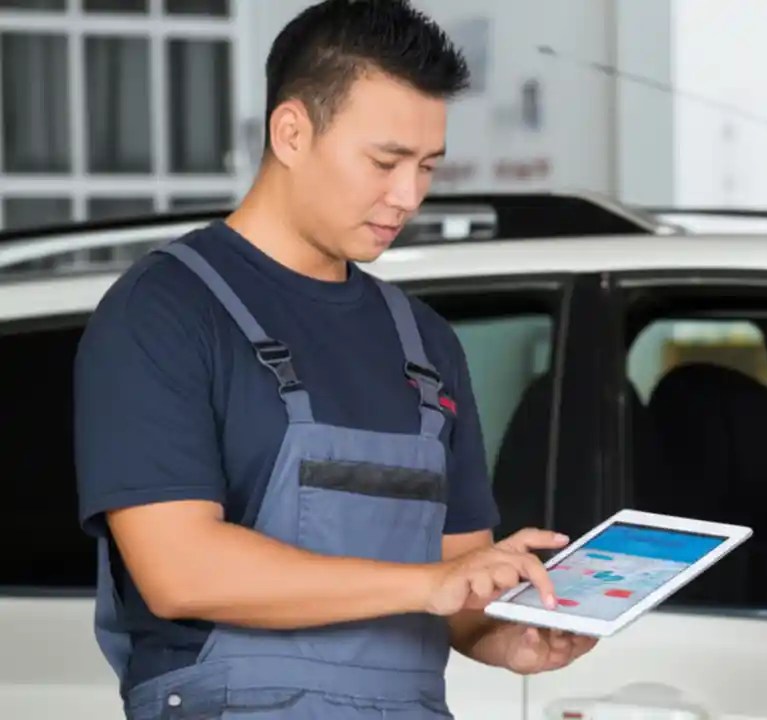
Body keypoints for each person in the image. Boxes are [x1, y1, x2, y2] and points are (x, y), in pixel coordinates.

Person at [74, 2, 594, 718]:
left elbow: (458, 583)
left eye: (427, 167)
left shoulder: (426, 342)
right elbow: (180, 570)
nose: (407, 196)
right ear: (291, 131)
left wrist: (511, 638)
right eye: (384, 162)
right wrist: (424, 586)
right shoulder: (165, 311)